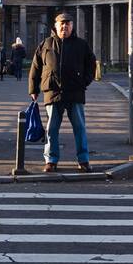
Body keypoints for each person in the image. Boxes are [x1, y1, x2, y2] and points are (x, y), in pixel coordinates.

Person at [29, 11, 97, 173]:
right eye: (62, 24)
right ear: (56, 26)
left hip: (75, 92)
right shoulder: (46, 44)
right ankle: (51, 160)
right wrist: (33, 88)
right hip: (52, 92)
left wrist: (84, 81)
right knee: (52, 129)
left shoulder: (81, 44)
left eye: (68, 24)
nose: (64, 27)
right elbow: (35, 67)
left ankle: (83, 159)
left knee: (79, 128)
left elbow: (91, 64)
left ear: (72, 26)